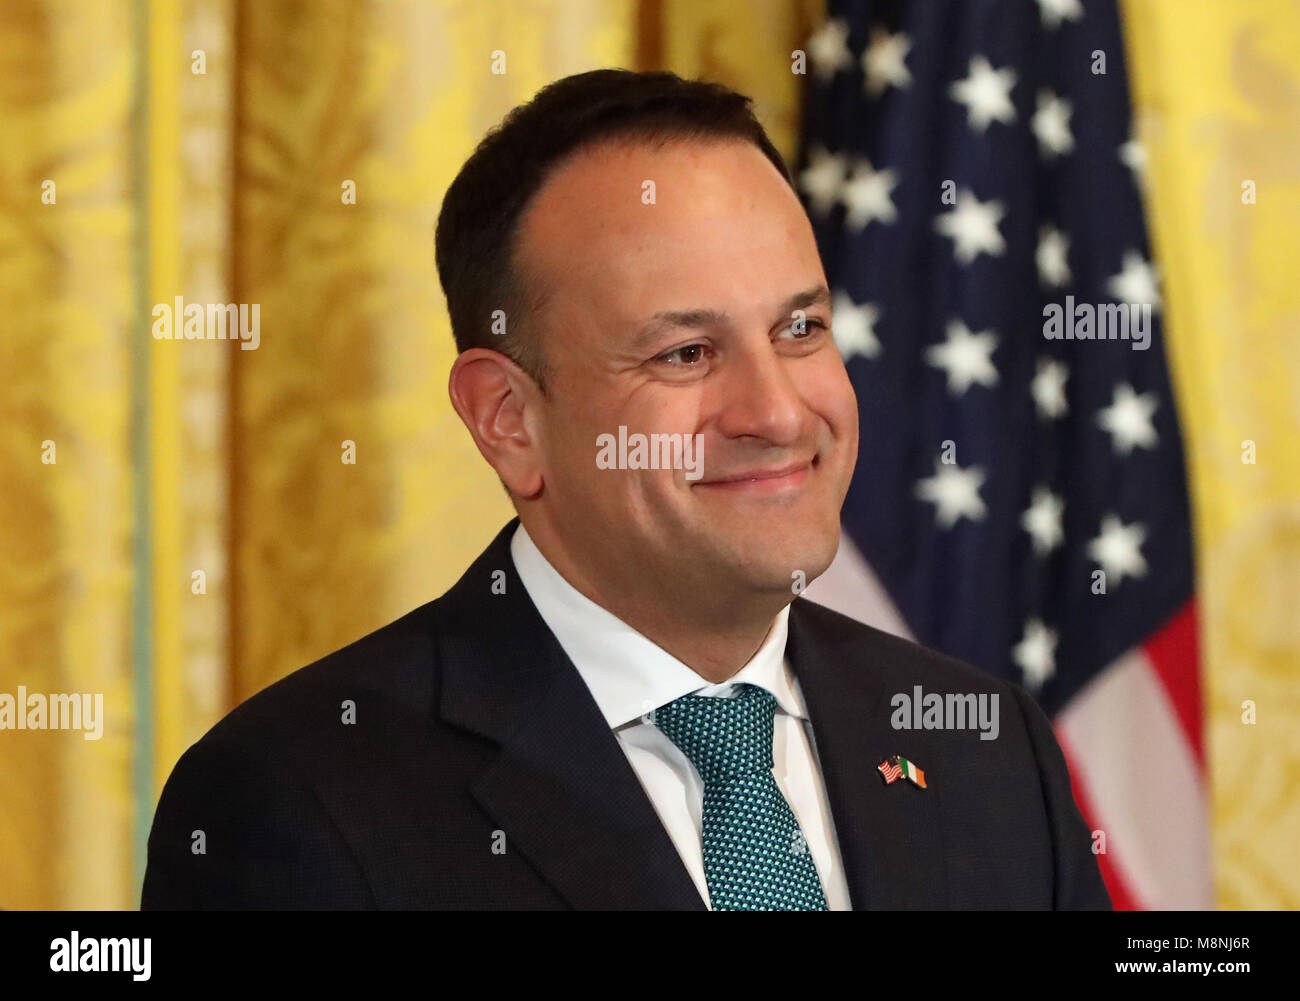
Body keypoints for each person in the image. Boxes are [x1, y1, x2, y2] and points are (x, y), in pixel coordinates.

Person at [142, 69, 1110, 910]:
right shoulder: (302, 797)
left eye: (800, 328)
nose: (775, 413)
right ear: (507, 419)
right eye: (685, 352)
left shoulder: (988, 747)